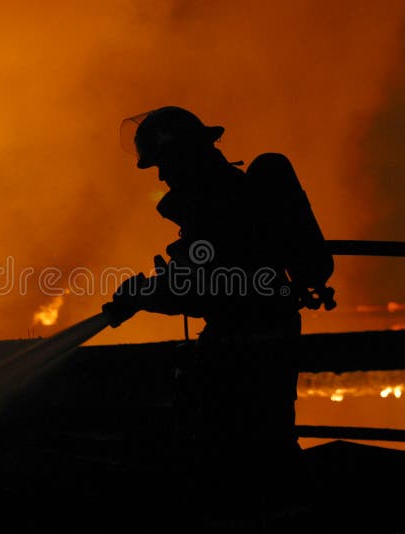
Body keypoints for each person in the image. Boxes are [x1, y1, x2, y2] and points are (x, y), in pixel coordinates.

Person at [102, 106, 334, 524]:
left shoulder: (217, 204)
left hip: (247, 348)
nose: (161, 176)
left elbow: (202, 287)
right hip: (258, 339)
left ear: (183, 155)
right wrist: (150, 291)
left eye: (163, 163)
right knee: (266, 445)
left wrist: (142, 295)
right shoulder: (225, 196)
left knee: (250, 449)